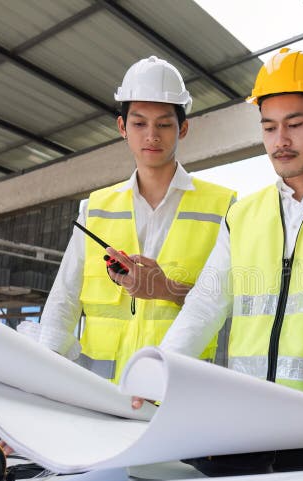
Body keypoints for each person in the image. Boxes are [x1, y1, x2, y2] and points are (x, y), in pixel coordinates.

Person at [112, 48, 303, 475]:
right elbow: (204, 306)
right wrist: (160, 371)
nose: (280, 140)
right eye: (269, 127)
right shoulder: (242, 215)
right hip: (245, 425)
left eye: (295, 124)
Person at [36, 56, 236, 383]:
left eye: (164, 124)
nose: (151, 136)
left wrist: (166, 289)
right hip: (99, 391)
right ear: (122, 128)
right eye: (139, 124)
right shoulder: (96, 208)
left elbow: (228, 303)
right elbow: (64, 300)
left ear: (183, 128)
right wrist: (39, 379)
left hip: (175, 391)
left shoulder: (223, 207)